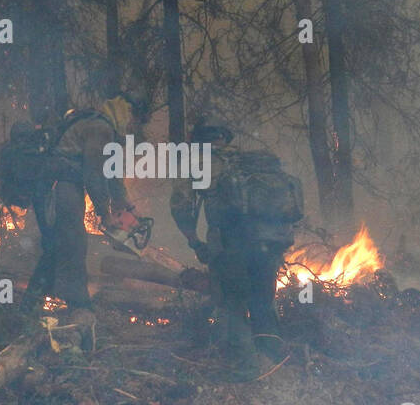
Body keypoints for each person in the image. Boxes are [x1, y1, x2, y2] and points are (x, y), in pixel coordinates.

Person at [171, 115, 303, 380]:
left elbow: (181, 206)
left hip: (231, 245)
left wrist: (195, 241)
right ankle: (275, 362)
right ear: (226, 138)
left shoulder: (199, 163)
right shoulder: (252, 164)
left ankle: (245, 368)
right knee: (263, 302)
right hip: (271, 242)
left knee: (232, 303)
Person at [22, 93, 149, 331]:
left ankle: (33, 303)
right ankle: (76, 300)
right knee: (72, 241)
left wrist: (123, 202)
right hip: (59, 183)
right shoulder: (100, 129)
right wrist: (105, 213)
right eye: (135, 118)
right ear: (126, 112)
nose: (134, 126)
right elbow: (94, 174)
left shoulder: (105, 129)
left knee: (60, 244)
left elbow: (111, 173)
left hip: (66, 182)